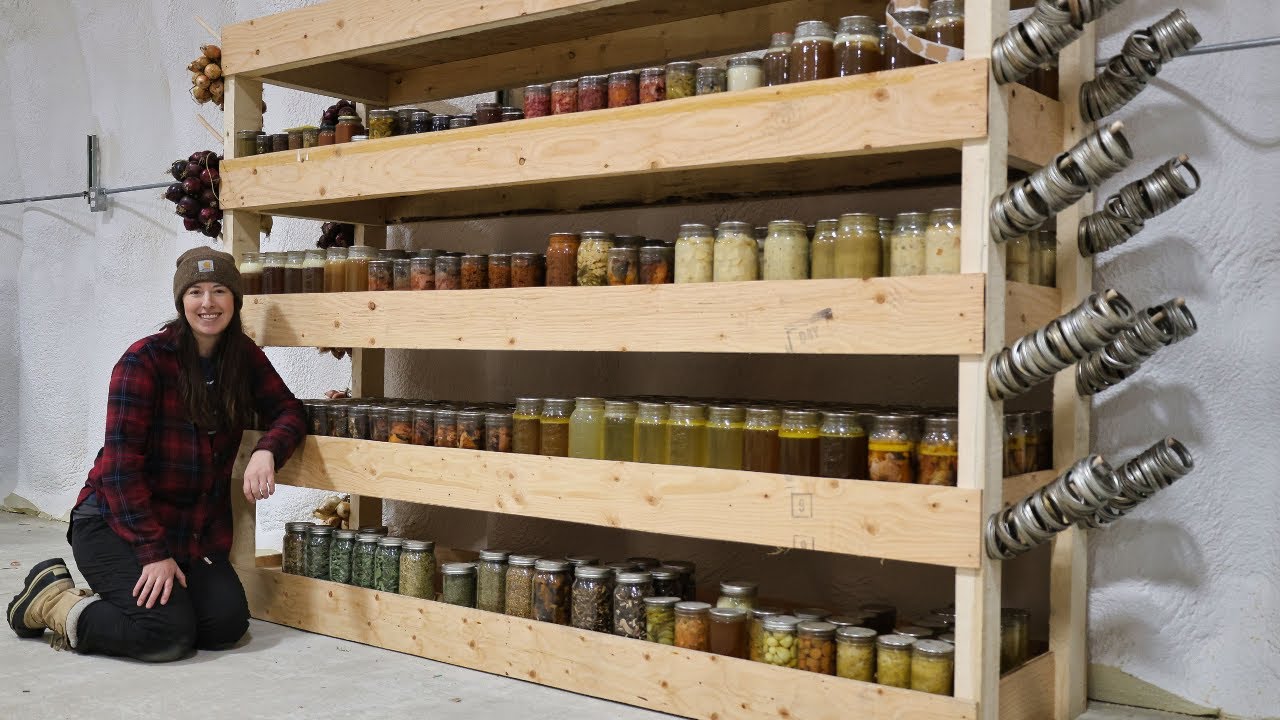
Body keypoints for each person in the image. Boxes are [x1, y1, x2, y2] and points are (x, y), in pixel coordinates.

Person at [7, 247, 306, 661]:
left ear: (235, 300)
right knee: (167, 636)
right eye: (196, 291)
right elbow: (118, 471)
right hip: (115, 524)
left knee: (225, 625)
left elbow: (289, 410)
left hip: (189, 533)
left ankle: (129, 598)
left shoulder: (243, 358)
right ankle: (53, 601)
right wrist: (152, 553)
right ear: (181, 301)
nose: (207, 303)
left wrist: (267, 450)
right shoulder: (143, 362)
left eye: (219, 290)